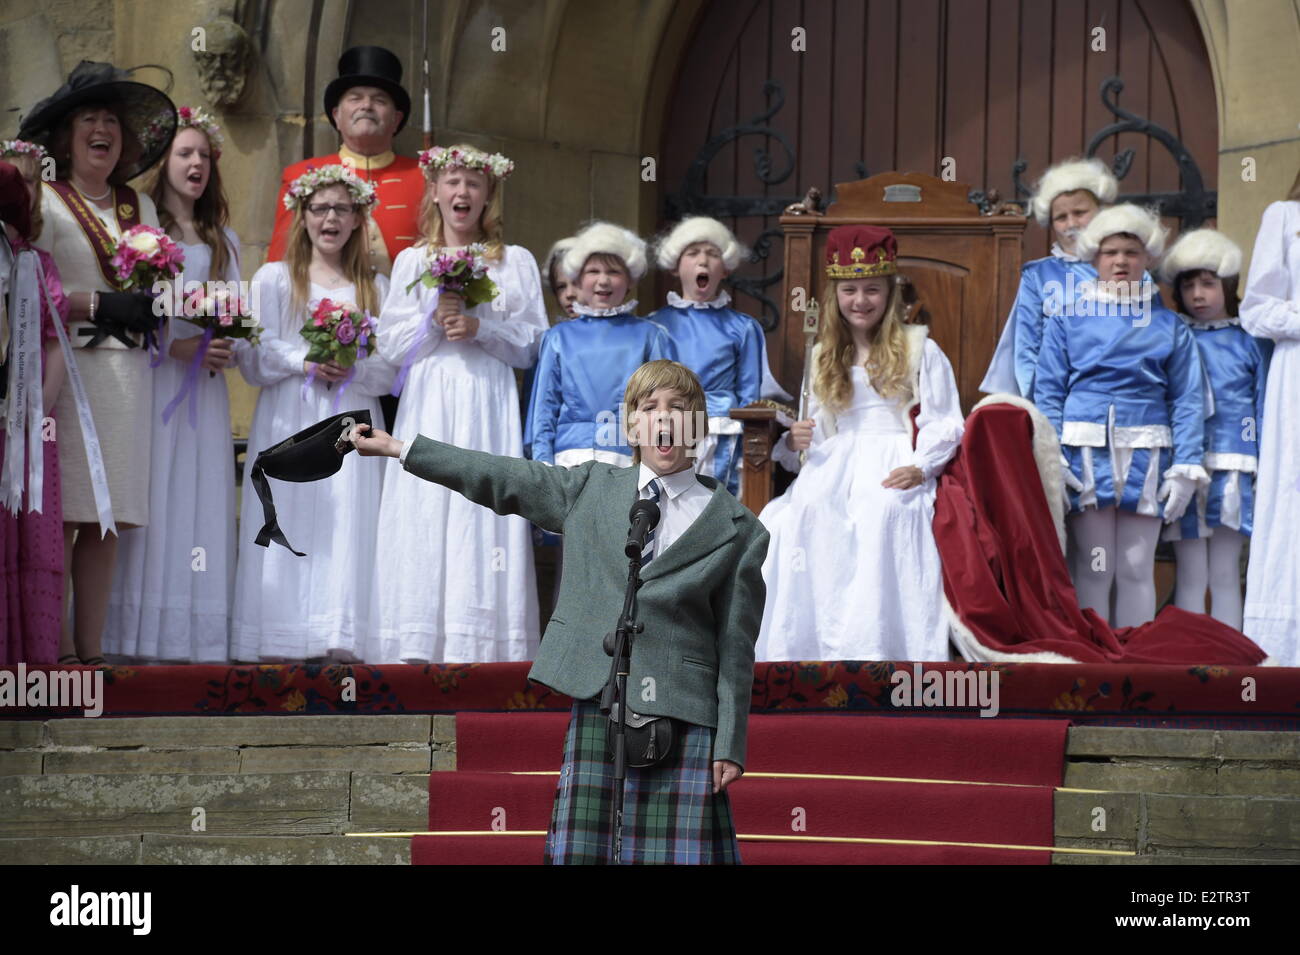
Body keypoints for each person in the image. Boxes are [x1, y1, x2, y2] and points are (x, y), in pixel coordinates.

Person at [351, 358, 768, 864]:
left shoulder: (737, 528)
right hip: (602, 699)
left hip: (685, 713)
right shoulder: (589, 488)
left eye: (679, 409)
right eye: (649, 407)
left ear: (698, 425)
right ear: (632, 425)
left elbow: (735, 644)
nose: (664, 419)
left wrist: (730, 742)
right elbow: (500, 476)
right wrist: (402, 448)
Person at [19, 61, 176, 666]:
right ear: (67, 136)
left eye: (111, 119)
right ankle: (53, 650)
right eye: (90, 117)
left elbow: (163, 284)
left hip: (128, 375)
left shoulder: (140, 209)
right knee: (64, 514)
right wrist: (96, 302)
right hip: (71, 371)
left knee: (108, 520)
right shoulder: (47, 203)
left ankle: (92, 648)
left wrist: (152, 305)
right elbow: (30, 291)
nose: (102, 128)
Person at [369, 144, 545, 663]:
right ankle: (415, 637)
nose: (462, 192)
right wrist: (432, 315)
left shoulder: (514, 261)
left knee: (481, 503)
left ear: (488, 193)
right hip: (430, 394)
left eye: (472, 182)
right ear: (436, 193)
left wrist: (480, 327)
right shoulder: (411, 261)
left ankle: (484, 641)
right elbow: (390, 348)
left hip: (486, 398)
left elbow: (535, 343)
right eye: (452, 182)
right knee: (425, 502)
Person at [756, 225, 964, 662]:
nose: (861, 301)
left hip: (895, 454)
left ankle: (880, 646)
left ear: (889, 293)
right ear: (836, 295)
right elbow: (817, 431)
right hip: (836, 460)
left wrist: (923, 466)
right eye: (849, 290)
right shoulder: (824, 353)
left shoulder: (919, 348)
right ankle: (805, 648)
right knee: (800, 516)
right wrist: (798, 440)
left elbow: (944, 422)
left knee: (884, 511)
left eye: (872, 289)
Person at [231, 164, 393, 661]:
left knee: (347, 522)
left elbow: (392, 371)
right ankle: (278, 636)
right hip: (290, 414)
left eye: (342, 209)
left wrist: (353, 368)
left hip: (350, 416)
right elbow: (251, 359)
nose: (330, 218)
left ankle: (338, 636)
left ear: (357, 219)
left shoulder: (376, 286)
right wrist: (304, 362)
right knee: (294, 511)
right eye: (320, 208)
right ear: (301, 215)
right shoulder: (276, 279)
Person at [105, 106, 242, 662]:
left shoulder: (223, 239)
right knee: (156, 494)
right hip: (155, 382)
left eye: (204, 156)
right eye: (185, 153)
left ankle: (192, 638)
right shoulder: (141, 231)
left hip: (203, 391)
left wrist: (229, 342)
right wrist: (172, 345)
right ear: (162, 162)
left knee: (199, 496)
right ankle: (134, 635)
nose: (196, 164)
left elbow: (237, 309)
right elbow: (126, 311)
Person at [1034, 204, 1207, 628]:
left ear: (1147, 258)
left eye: (1131, 251)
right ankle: (1095, 670)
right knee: (1094, 568)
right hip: (1083, 456)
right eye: (1110, 251)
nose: (1120, 261)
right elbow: (1048, 392)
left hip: (1147, 456)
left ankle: (1136, 671)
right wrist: (1050, 456)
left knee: (1134, 567)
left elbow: (1187, 399)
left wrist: (1187, 464)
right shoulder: (1066, 320)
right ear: (1094, 257)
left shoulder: (1170, 327)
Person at [1159, 229, 1267, 631]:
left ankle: (1231, 664)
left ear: (1228, 286)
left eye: (1208, 284)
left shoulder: (1251, 341)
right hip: (1185, 467)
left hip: (1235, 464)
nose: (1198, 294)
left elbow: (1262, 404)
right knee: (1190, 572)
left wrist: (1263, 459)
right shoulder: (1174, 337)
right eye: (1189, 285)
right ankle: (1189, 661)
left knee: (1224, 572)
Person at [527, 221, 676, 467]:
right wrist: (543, 465)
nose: (603, 280)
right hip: (568, 458)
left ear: (630, 280)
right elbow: (544, 409)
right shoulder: (557, 337)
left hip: (630, 458)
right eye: (593, 271)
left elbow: (663, 405)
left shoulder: (650, 335)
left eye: (614, 272)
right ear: (577, 279)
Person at [267, 46, 424, 278]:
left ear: (396, 119)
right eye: (355, 98)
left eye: (379, 100)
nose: (366, 106)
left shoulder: (425, 177)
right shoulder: (301, 176)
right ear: (337, 116)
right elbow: (283, 260)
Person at [0, 145, 69, 664]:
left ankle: (35, 665)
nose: (21, 189)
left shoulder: (37, 263)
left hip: (28, 428)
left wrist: (34, 415)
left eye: (29, 180)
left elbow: (55, 343)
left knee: (35, 544)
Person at [982, 158, 1119, 397]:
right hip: (1055, 394)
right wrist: (1039, 403)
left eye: (1080, 212)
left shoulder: (1127, 269)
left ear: (1101, 212)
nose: (1071, 224)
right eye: (1061, 217)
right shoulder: (1038, 276)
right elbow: (1026, 347)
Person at [649, 216, 763, 495]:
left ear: (724, 269)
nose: (703, 261)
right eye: (693, 253)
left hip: (723, 433)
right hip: (670, 428)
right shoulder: (654, 325)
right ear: (675, 266)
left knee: (715, 507)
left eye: (712, 254)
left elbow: (751, 395)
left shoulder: (743, 327)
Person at [1240, 168, 1300, 665]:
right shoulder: (1285, 217)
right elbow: (1256, 309)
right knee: (1292, 493)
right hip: (1296, 374)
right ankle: (1285, 654)